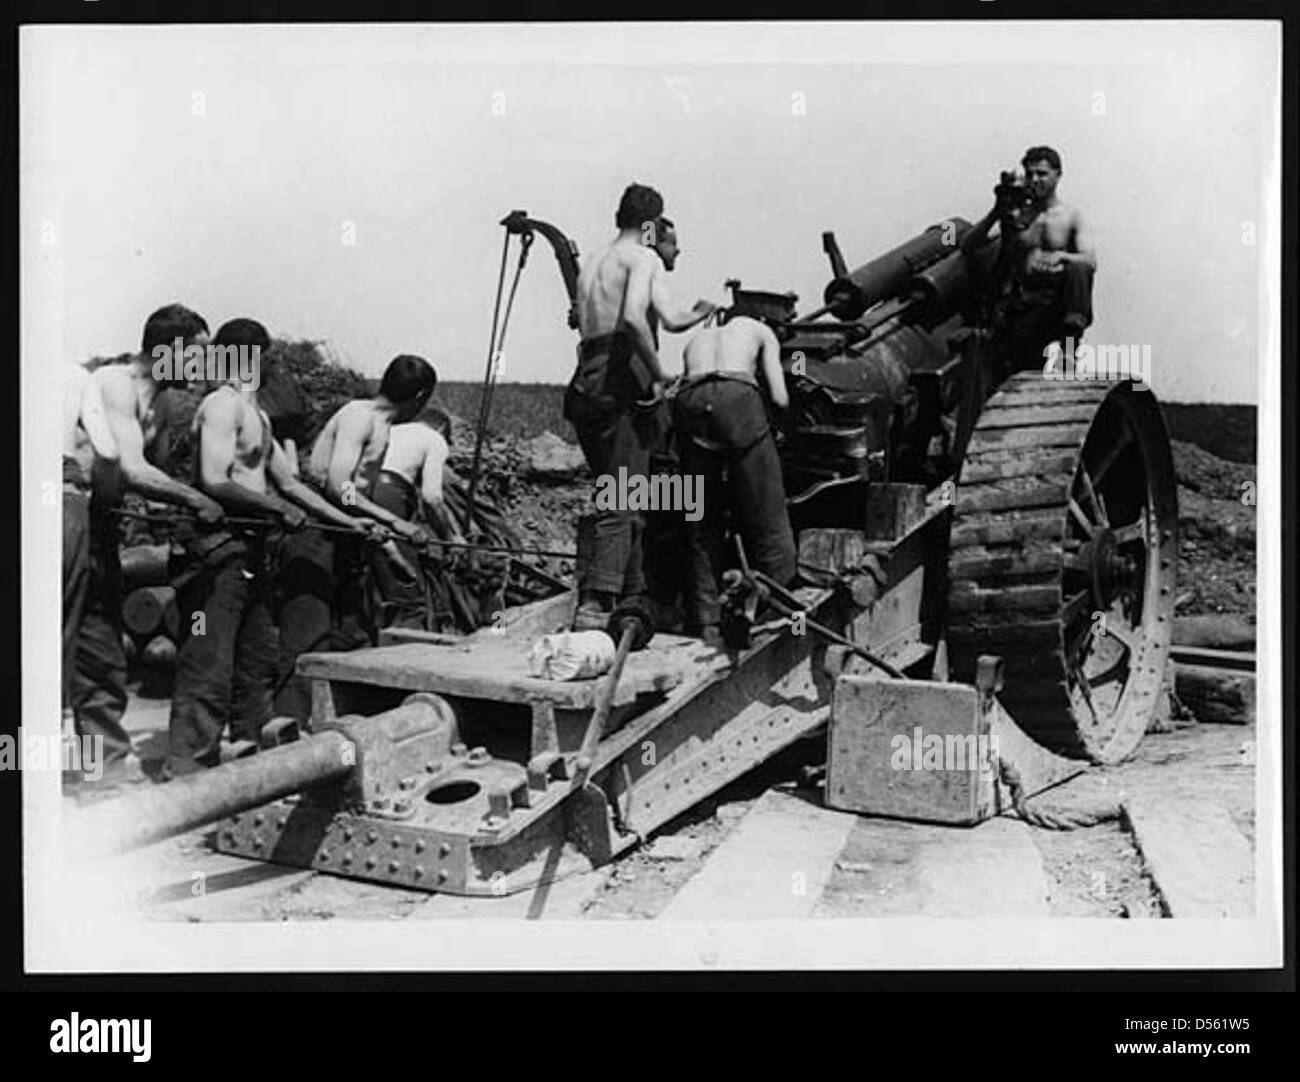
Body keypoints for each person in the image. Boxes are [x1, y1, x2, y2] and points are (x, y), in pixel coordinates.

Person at [161, 318, 369, 775]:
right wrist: (273, 509)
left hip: (250, 549)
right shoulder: (221, 406)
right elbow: (213, 479)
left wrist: (349, 521)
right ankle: (187, 770)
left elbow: (290, 483)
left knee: (257, 660)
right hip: (214, 547)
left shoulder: (256, 415)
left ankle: (250, 760)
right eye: (263, 358)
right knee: (208, 656)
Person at [62, 304, 225, 783]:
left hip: (103, 533)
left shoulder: (164, 404)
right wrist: (196, 499)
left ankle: (104, 768)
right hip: (68, 519)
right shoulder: (114, 383)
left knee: (101, 651)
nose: (201, 366)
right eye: (196, 355)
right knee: (55, 646)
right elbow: (131, 468)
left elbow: (153, 481)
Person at [566, 185, 716, 630]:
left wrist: (697, 312)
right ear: (651, 224)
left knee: (618, 490)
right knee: (623, 493)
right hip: (620, 375)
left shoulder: (594, 261)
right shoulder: (643, 257)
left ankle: (631, 597)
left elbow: (667, 319)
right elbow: (634, 318)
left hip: (586, 378)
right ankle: (596, 605)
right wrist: (657, 375)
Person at [273, 355, 435, 720]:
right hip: (317, 533)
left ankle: (338, 726)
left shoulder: (382, 424)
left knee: (354, 634)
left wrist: (390, 548)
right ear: (421, 396)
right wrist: (398, 523)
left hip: (347, 538)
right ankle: (288, 734)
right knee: (306, 637)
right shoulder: (360, 417)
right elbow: (338, 487)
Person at [672, 310, 797, 644]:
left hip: (690, 403)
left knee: (699, 517)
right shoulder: (762, 331)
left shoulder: (697, 339)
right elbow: (782, 398)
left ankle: (707, 622)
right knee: (766, 514)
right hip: (738, 400)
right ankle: (772, 609)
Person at [964, 146, 1097, 372]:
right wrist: (997, 212)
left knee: (1078, 269)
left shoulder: (1071, 216)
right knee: (1024, 376)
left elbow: (1090, 261)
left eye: (1042, 174)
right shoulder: (1018, 217)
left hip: (1058, 305)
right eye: (1030, 174)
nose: (1035, 180)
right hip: (1024, 308)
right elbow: (969, 245)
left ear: (1058, 175)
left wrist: (1062, 255)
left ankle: (1069, 351)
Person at [369, 405, 465, 629]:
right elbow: (432, 497)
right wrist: (451, 539)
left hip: (357, 494)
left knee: (373, 581)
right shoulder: (434, 439)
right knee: (406, 589)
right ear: (441, 429)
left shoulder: (390, 430)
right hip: (390, 496)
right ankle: (404, 647)